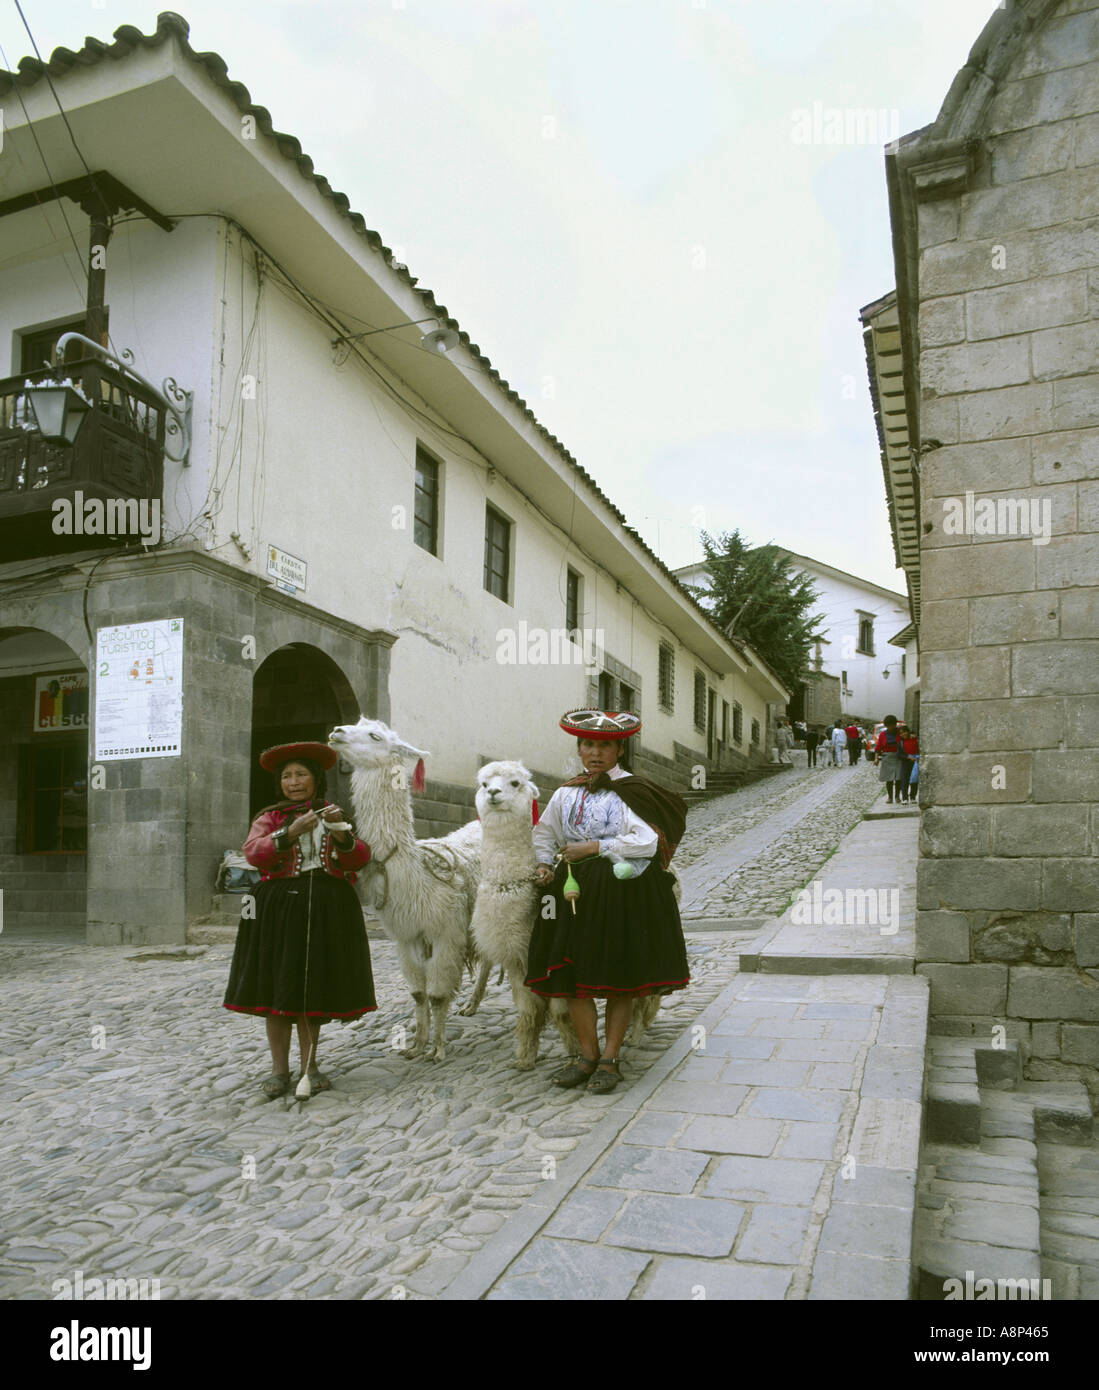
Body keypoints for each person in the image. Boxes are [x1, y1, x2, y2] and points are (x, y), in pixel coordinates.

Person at [525, 709, 689, 1094]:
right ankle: (587, 1056)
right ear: (579, 749)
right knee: (573, 978)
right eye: (588, 745)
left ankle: (611, 1060)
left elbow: (647, 843)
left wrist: (596, 846)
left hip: (621, 890)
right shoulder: (566, 792)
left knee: (618, 977)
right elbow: (544, 832)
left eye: (604, 746)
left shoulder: (632, 790)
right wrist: (546, 864)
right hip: (571, 891)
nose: (595, 753)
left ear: (619, 750)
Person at [223, 741, 377, 1098]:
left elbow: (359, 859)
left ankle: (311, 1066)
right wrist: (289, 833)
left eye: (301, 774)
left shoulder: (333, 812)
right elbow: (253, 853)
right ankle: (279, 1071)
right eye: (287, 776)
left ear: (315, 779)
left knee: (311, 987)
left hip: (325, 906)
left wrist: (341, 833)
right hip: (277, 907)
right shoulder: (269, 817)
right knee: (277, 986)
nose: (293, 782)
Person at [874, 716, 905, 804]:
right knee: (889, 779)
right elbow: (878, 747)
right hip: (887, 758)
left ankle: (897, 796)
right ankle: (890, 797)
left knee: (898, 778)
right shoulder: (883, 734)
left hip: (898, 757)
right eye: (889, 726)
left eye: (892, 725)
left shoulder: (900, 732)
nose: (891, 728)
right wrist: (876, 758)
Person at [898, 724, 919, 803]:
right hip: (906, 762)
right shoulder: (900, 743)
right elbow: (899, 754)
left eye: (904, 732)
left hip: (915, 761)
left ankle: (913, 797)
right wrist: (908, 756)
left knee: (914, 780)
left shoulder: (915, 740)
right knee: (904, 780)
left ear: (908, 732)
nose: (903, 734)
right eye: (901, 733)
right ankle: (904, 798)